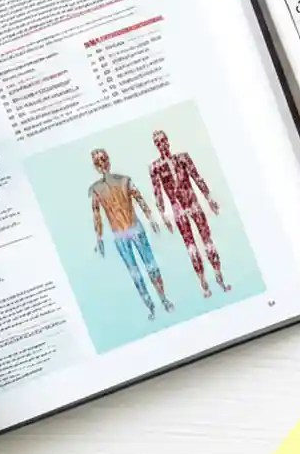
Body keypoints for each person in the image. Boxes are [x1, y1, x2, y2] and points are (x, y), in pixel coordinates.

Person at [89, 148, 173, 319]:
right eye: (98, 162)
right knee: (135, 271)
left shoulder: (124, 181)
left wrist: (150, 218)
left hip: (133, 228)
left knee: (150, 265)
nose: (101, 164)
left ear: (108, 160)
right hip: (120, 234)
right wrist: (99, 238)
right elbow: (96, 214)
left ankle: (163, 299)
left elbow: (139, 198)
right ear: (95, 166)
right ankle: (151, 306)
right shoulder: (98, 189)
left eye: (103, 159)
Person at [148, 130, 231, 297]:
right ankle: (203, 283)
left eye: (163, 141)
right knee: (191, 247)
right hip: (179, 209)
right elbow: (157, 192)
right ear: (156, 146)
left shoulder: (182, 158)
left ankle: (219, 276)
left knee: (207, 241)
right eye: (158, 142)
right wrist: (163, 214)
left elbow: (196, 177)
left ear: (168, 141)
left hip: (192, 203)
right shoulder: (156, 167)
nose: (162, 145)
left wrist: (209, 198)